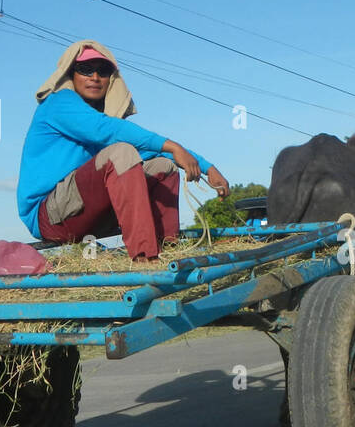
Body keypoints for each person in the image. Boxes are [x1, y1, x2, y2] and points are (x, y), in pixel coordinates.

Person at [17, 40, 229, 261]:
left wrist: (206, 167)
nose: (95, 77)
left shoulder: (103, 118)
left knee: (162, 165)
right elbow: (107, 131)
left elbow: (146, 150)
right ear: (71, 74)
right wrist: (172, 145)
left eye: (103, 70)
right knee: (121, 153)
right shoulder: (59, 103)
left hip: (90, 215)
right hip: (51, 218)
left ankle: (168, 248)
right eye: (85, 69)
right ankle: (145, 259)